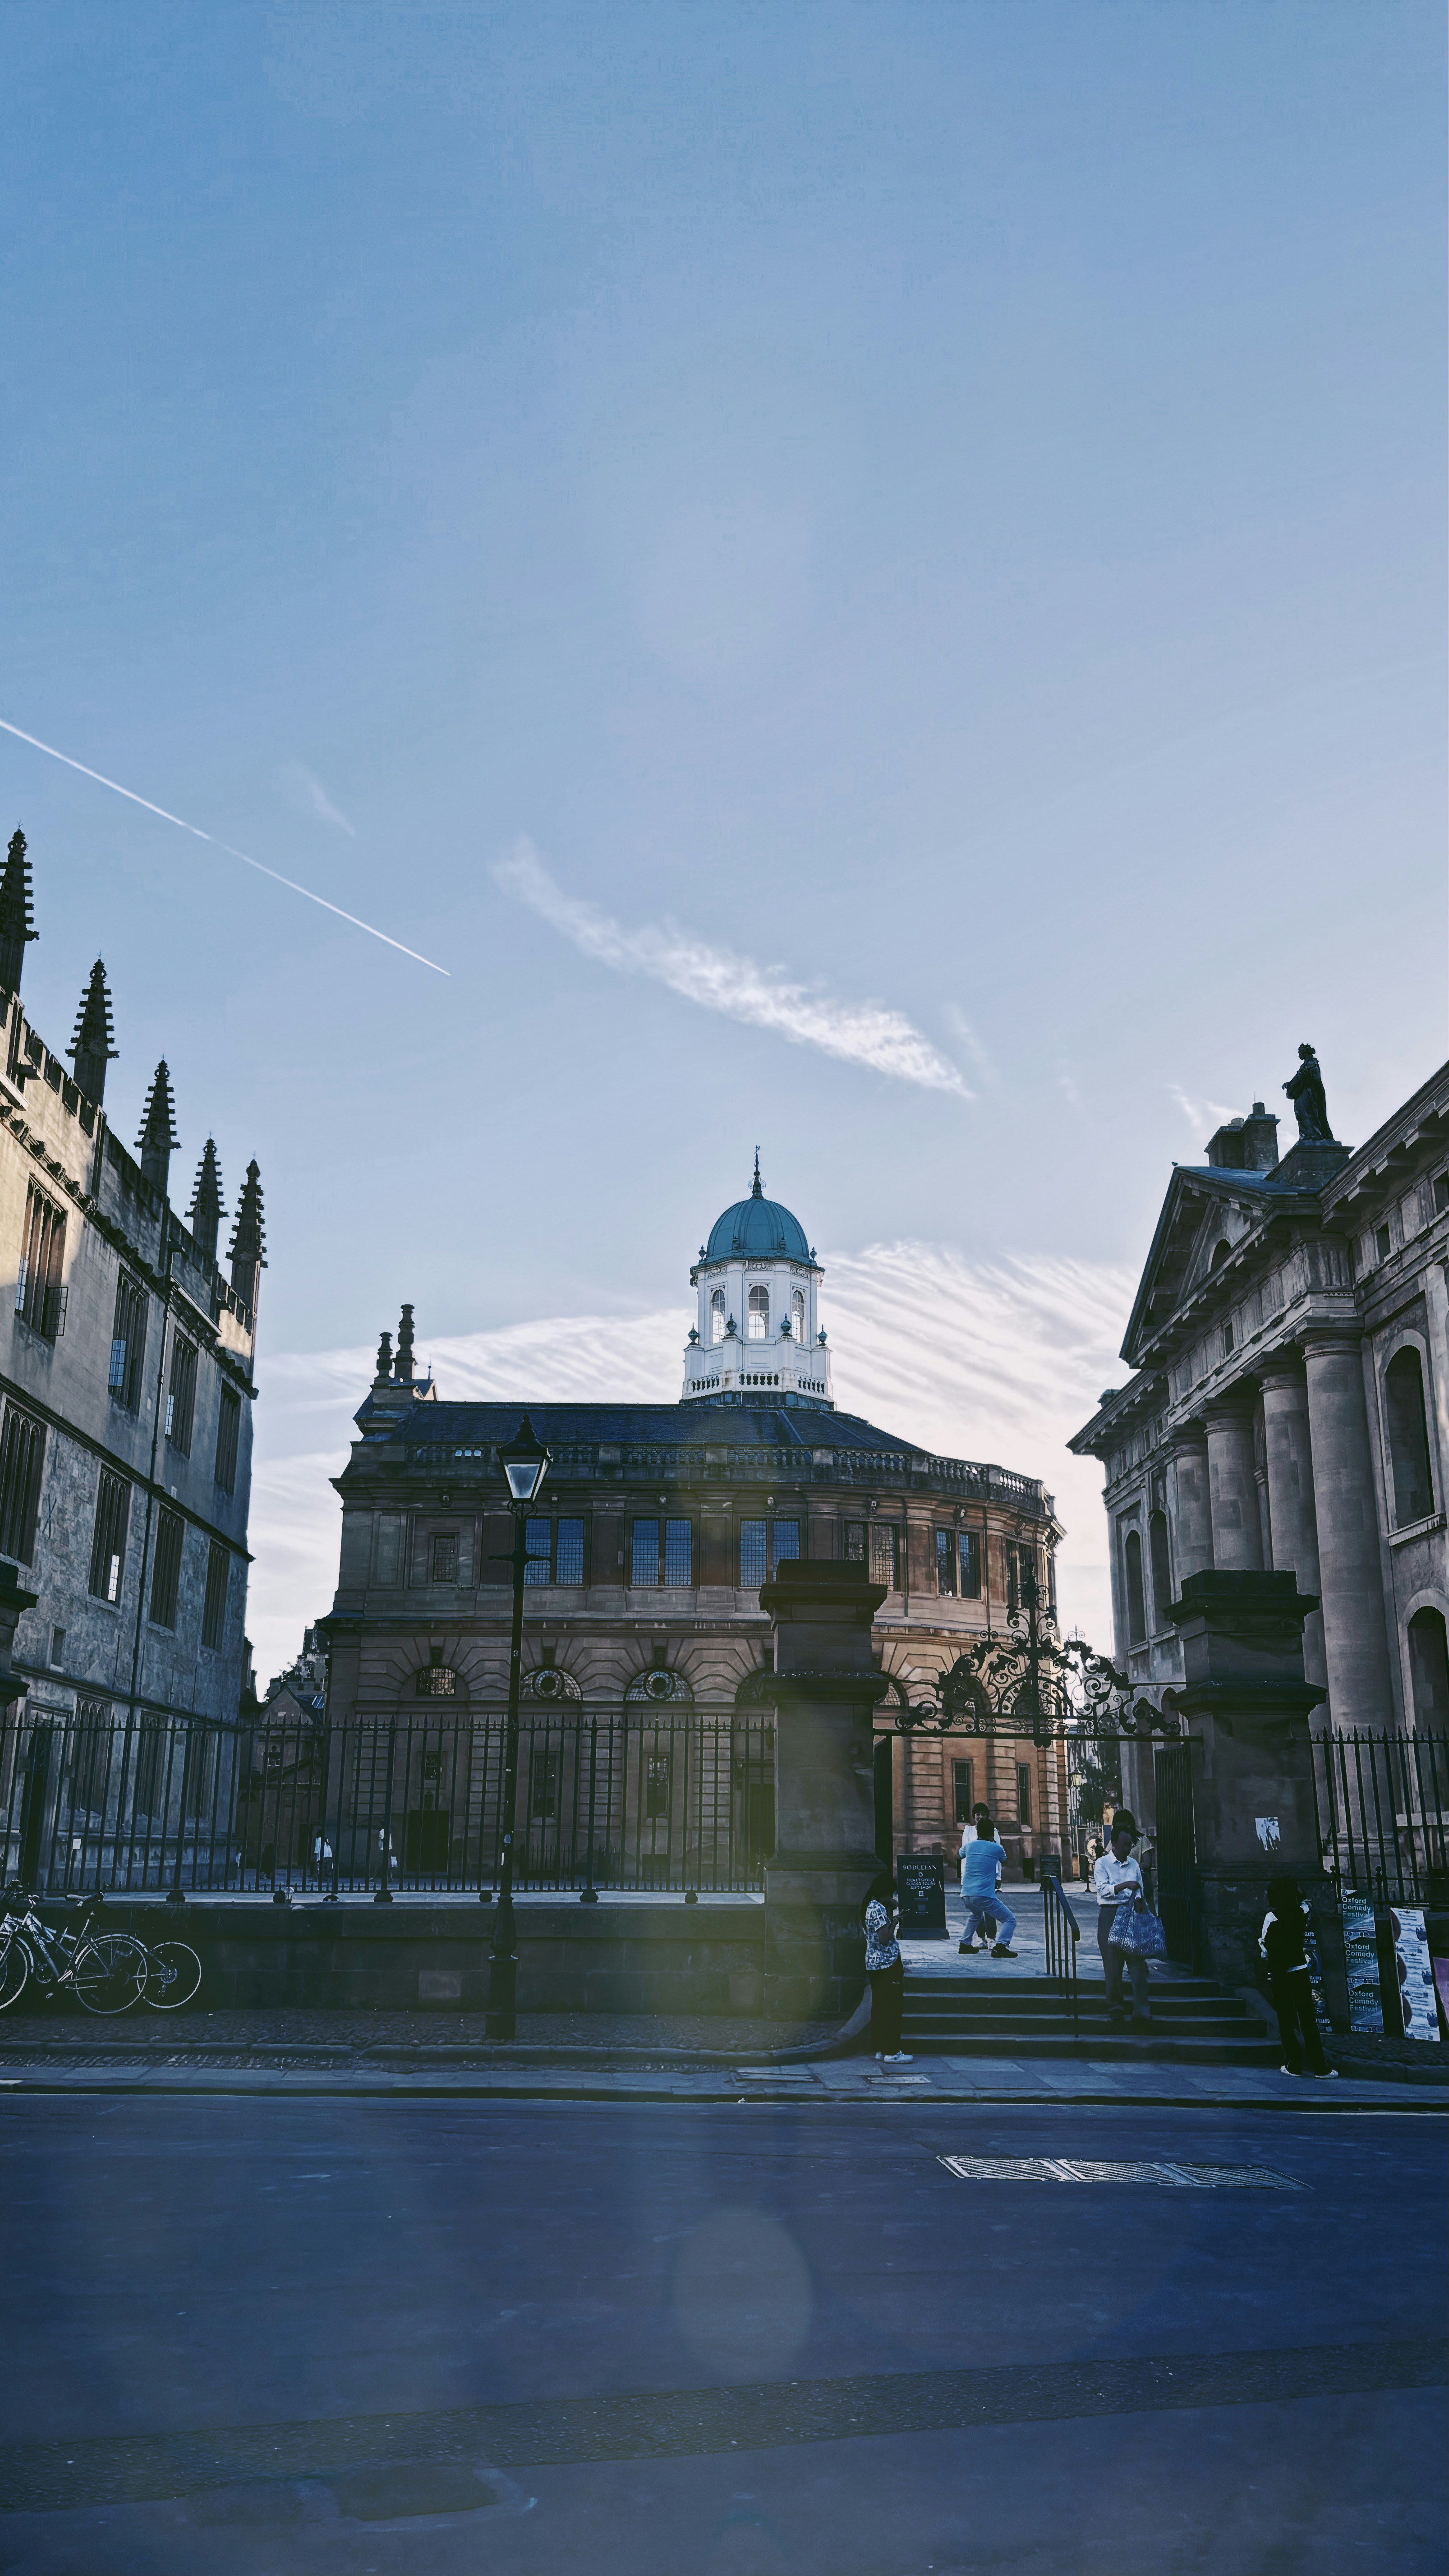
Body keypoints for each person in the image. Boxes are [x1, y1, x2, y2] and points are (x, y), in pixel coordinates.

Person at [1259, 1876, 1338, 2078]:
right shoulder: (1303, 1912)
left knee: (1286, 2021)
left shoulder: (1272, 1917)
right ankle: (1321, 2067)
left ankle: (1294, 2065)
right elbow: (1305, 1901)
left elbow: (1265, 1947)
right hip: (1300, 1969)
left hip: (1280, 1974)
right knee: (1308, 2019)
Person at [1091, 1811, 1151, 2025]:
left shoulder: (1133, 1865)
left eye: (1130, 1846)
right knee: (1113, 1965)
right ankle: (1115, 2007)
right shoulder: (1102, 1864)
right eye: (1125, 1845)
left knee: (1137, 1965)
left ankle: (1141, 2011)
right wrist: (1125, 1886)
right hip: (1110, 1914)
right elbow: (1103, 1890)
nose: (1129, 1849)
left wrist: (1138, 1902)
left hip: (1131, 1912)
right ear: (1114, 1843)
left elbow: (1140, 1889)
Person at [862, 1872, 911, 2063]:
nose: (892, 1898)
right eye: (890, 1894)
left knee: (880, 2007)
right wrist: (896, 1922)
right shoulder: (878, 1909)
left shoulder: (870, 1905)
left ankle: (881, 2049)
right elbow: (884, 1938)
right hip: (887, 1962)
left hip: (874, 1963)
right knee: (893, 2007)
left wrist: (893, 1907)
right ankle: (892, 2051)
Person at [959, 1816, 1017, 1958]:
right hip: (984, 1895)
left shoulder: (969, 1845)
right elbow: (1004, 1859)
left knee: (976, 1916)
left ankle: (965, 1944)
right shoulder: (997, 1848)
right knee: (1009, 1920)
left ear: (977, 1831)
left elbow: (960, 1854)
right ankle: (1001, 1946)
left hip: (966, 1894)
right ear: (992, 1833)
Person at [958, 1800, 998, 1949]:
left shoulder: (993, 1831)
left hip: (988, 1876)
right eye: (978, 1815)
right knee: (977, 1909)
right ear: (974, 1816)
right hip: (972, 1875)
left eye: (983, 1815)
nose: (980, 1817)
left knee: (990, 1908)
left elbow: (997, 1854)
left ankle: (992, 1939)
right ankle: (981, 1939)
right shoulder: (968, 1831)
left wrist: (998, 1876)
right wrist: (964, 1876)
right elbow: (964, 1856)